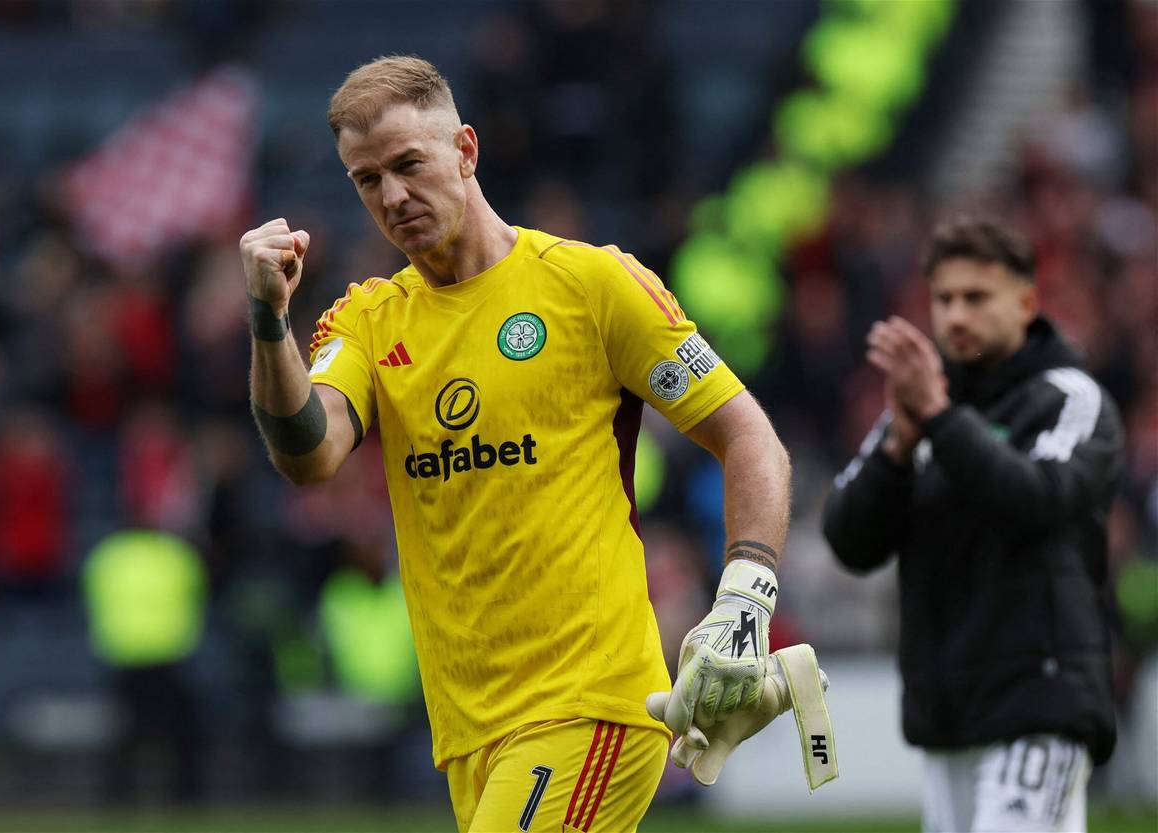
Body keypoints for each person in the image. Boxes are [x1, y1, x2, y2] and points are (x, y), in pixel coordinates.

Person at [240, 56, 796, 832]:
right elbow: (308, 452)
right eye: (367, 180)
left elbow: (750, 439)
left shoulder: (593, 288)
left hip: (589, 701)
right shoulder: (368, 320)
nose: (393, 196)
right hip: (471, 730)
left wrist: (745, 600)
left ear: (465, 151)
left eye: (409, 165)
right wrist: (269, 323)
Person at [823, 217, 1124, 833]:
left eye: (977, 298)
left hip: (1041, 701)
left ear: (1027, 302)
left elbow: (1038, 498)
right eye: (944, 298)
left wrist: (938, 419)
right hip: (951, 710)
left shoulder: (1067, 397)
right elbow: (849, 540)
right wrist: (897, 452)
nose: (957, 315)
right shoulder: (923, 409)